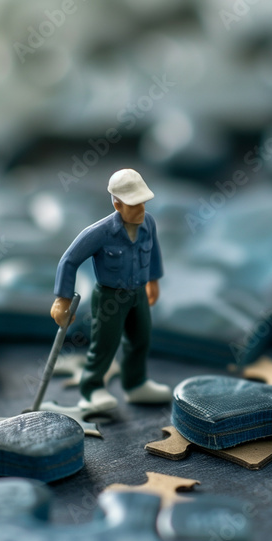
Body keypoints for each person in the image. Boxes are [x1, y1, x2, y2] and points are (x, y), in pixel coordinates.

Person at [51, 169, 172, 411]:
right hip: (110, 297)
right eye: (133, 204)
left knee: (141, 338)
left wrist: (153, 281)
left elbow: (154, 252)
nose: (140, 210)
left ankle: (135, 384)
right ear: (117, 203)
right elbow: (69, 260)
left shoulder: (148, 223)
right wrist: (62, 300)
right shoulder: (100, 232)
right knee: (105, 343)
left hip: (138, 293)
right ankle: (92, 387)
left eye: (143, 203)